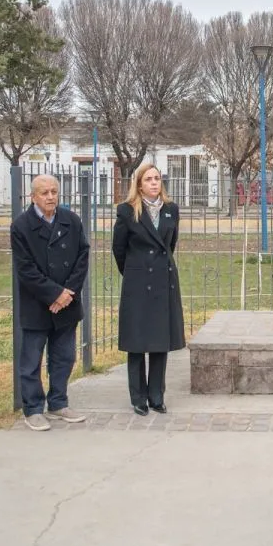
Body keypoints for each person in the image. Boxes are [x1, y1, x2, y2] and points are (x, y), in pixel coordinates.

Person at [10, 175, 91, 431]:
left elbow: (82, 256)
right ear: (32, 196)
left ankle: (58, 402)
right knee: (31, 360)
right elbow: (26, 269)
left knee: (64, 357)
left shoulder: (71, 220)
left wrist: (68, 294)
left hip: (67, 303)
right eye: (44, 192)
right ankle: (33, 408)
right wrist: (54, 294)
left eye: (54, 191)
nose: (50, 197)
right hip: (37, 304)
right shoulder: (21, 226)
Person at [112, 163, 185, 415]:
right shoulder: (126, 211)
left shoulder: (171, 210)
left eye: (157, 179)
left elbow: (170, 243)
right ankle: (138, 397)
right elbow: (119, 249)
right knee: (136, 342)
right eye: (149, 179)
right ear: (139, 184)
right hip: (138, 282)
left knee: (158, 341)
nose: (154, 183)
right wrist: (136, 272)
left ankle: (156, 396)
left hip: (163, 282)